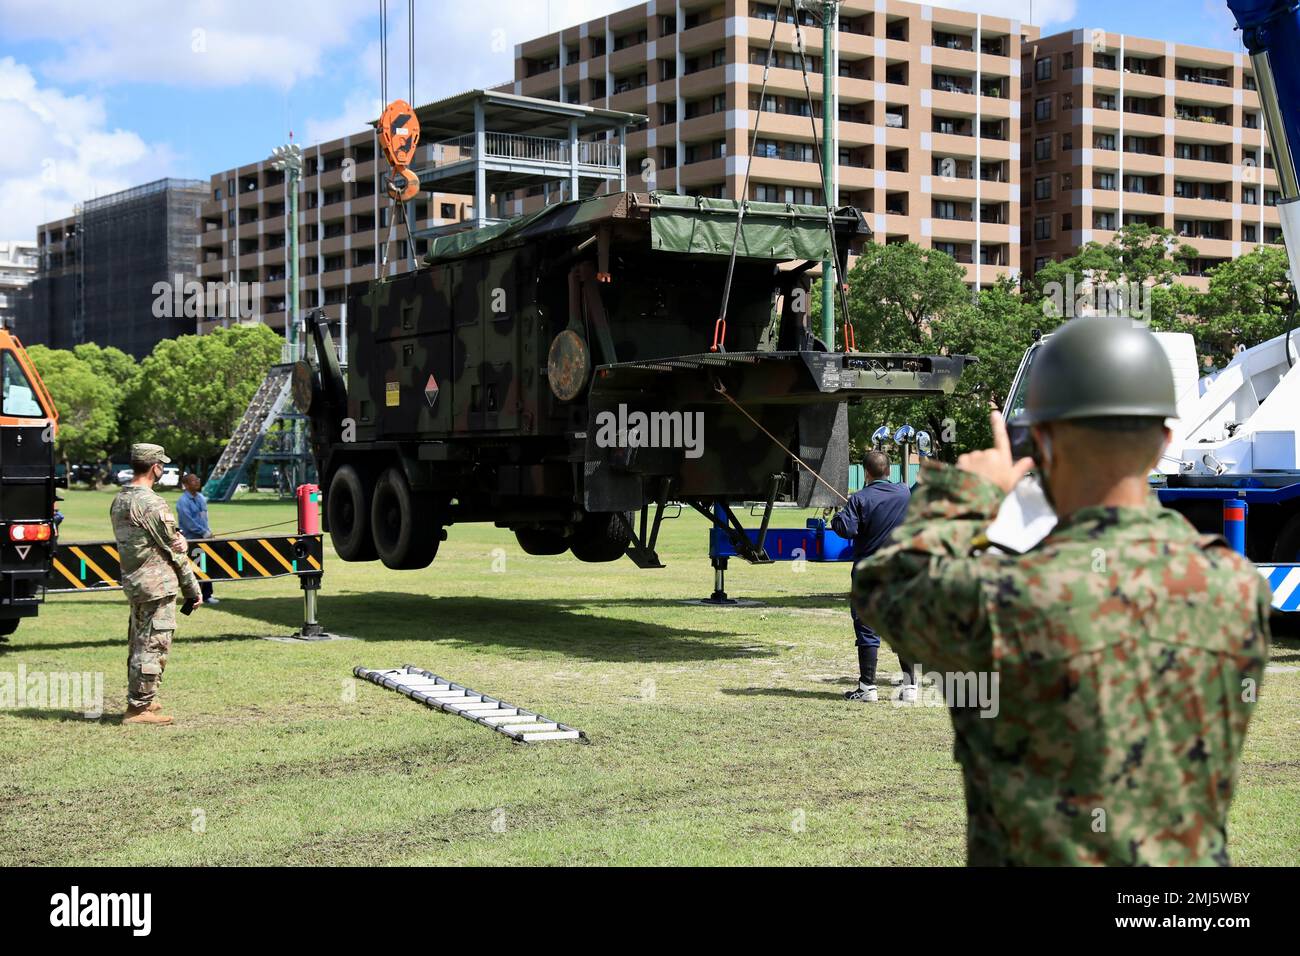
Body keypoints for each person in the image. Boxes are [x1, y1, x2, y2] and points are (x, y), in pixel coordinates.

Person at [854, 318, 1270, 865]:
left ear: (1041, 440)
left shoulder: (1001, 597)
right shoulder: (1236, 590)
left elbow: (883, 583)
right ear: (1167, 439)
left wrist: (968, 491)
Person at [110, 444, 203, 726]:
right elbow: (174, 550)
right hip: (156, 585)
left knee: (139, 642)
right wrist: (193, 590)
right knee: (153, 645)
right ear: (155, 467)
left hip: (136, 581)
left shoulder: (120, 499)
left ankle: (143, 697)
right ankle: (138, 709)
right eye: (161, 464)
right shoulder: (152, 503)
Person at [831, 449, 916, 703]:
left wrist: (839, 514)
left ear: (866, 472)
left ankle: (868, 687)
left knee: (868, 629)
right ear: (888, 470)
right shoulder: (904, 492)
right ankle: (910, 687)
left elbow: (846, 529)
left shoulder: (860, 499)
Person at [176, 473, 217, 606]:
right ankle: (193, 597)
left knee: (207, 567)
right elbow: (188, 522)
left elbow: (204, 518)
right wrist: (203, 532)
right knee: (194, 569)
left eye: (198, 479)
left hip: (204, 539)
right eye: (193, 481)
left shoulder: (201, 498)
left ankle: (207, 595)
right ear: (186, 485)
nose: (197, 482)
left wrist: (208, 532)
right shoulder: (183, 502)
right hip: (191, 540)